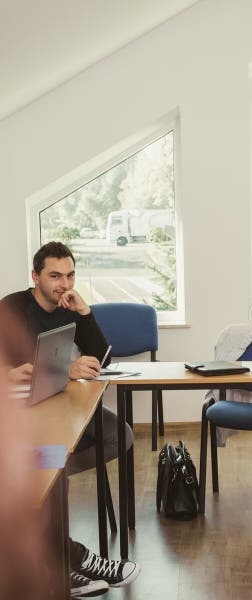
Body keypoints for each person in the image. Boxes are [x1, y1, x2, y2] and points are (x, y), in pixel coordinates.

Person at [1, 241, 139, 596]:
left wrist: (85, 313)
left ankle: (48, 472)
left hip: (57, 404)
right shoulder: (11, 308)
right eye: (55, 276)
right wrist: (56, 370)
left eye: (70, 275)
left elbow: (102, 359)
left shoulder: (68, 308)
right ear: (35, 276)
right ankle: (68, 563)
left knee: (118, 436)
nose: (64, 284)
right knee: (49, 478)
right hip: (19, 417)